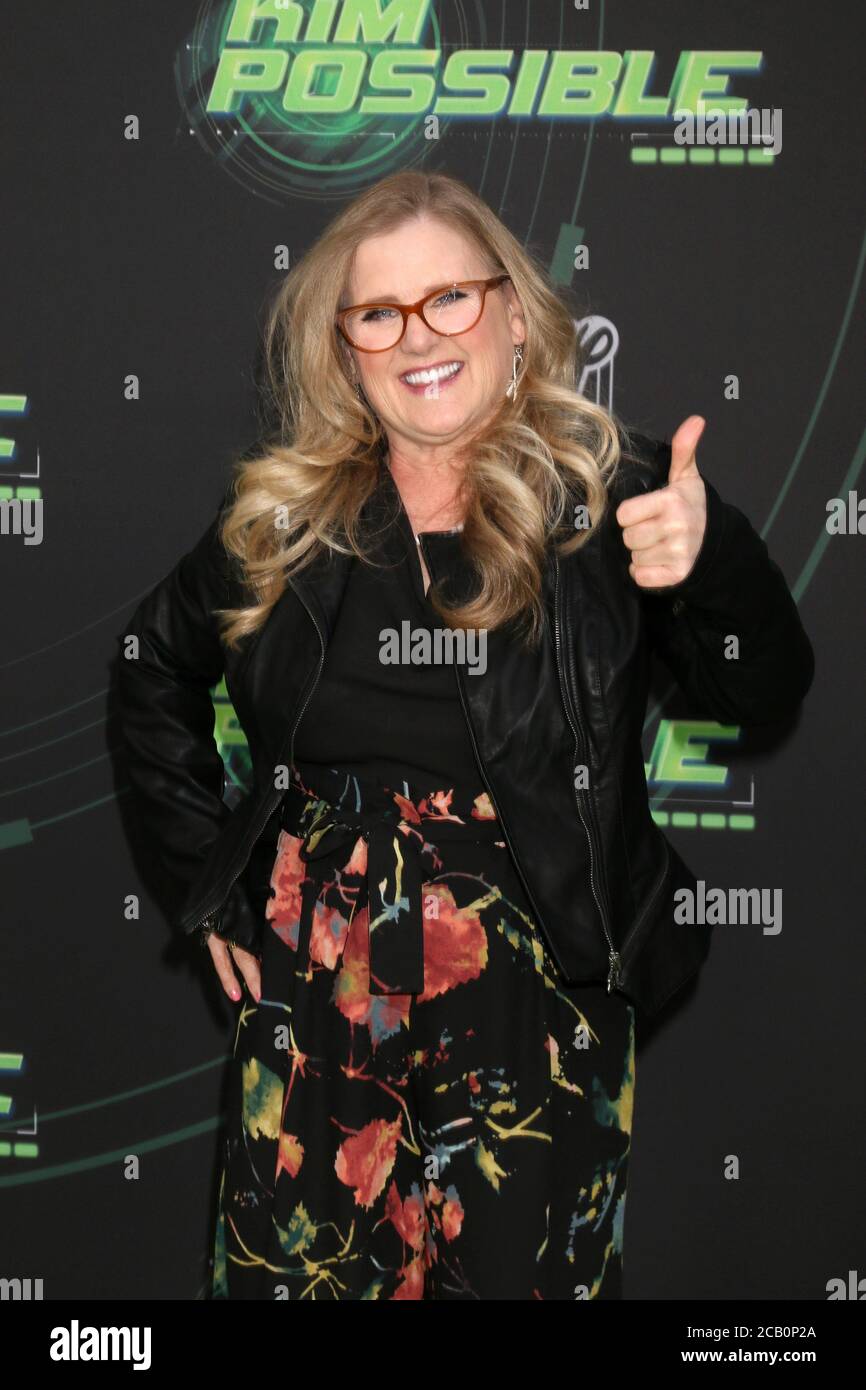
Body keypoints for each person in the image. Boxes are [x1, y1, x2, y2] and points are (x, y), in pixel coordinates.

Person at [116, 171, 814, 1301]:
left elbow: (766, 689)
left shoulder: (607, 494)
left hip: (533, 992)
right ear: (345, 347)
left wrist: (709, 559)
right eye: (377, 313)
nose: (416, 337)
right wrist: (212, 881)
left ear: (510, 309)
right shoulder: (288, 520)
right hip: (319, 994)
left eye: (449, 297)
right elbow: (149, 674)